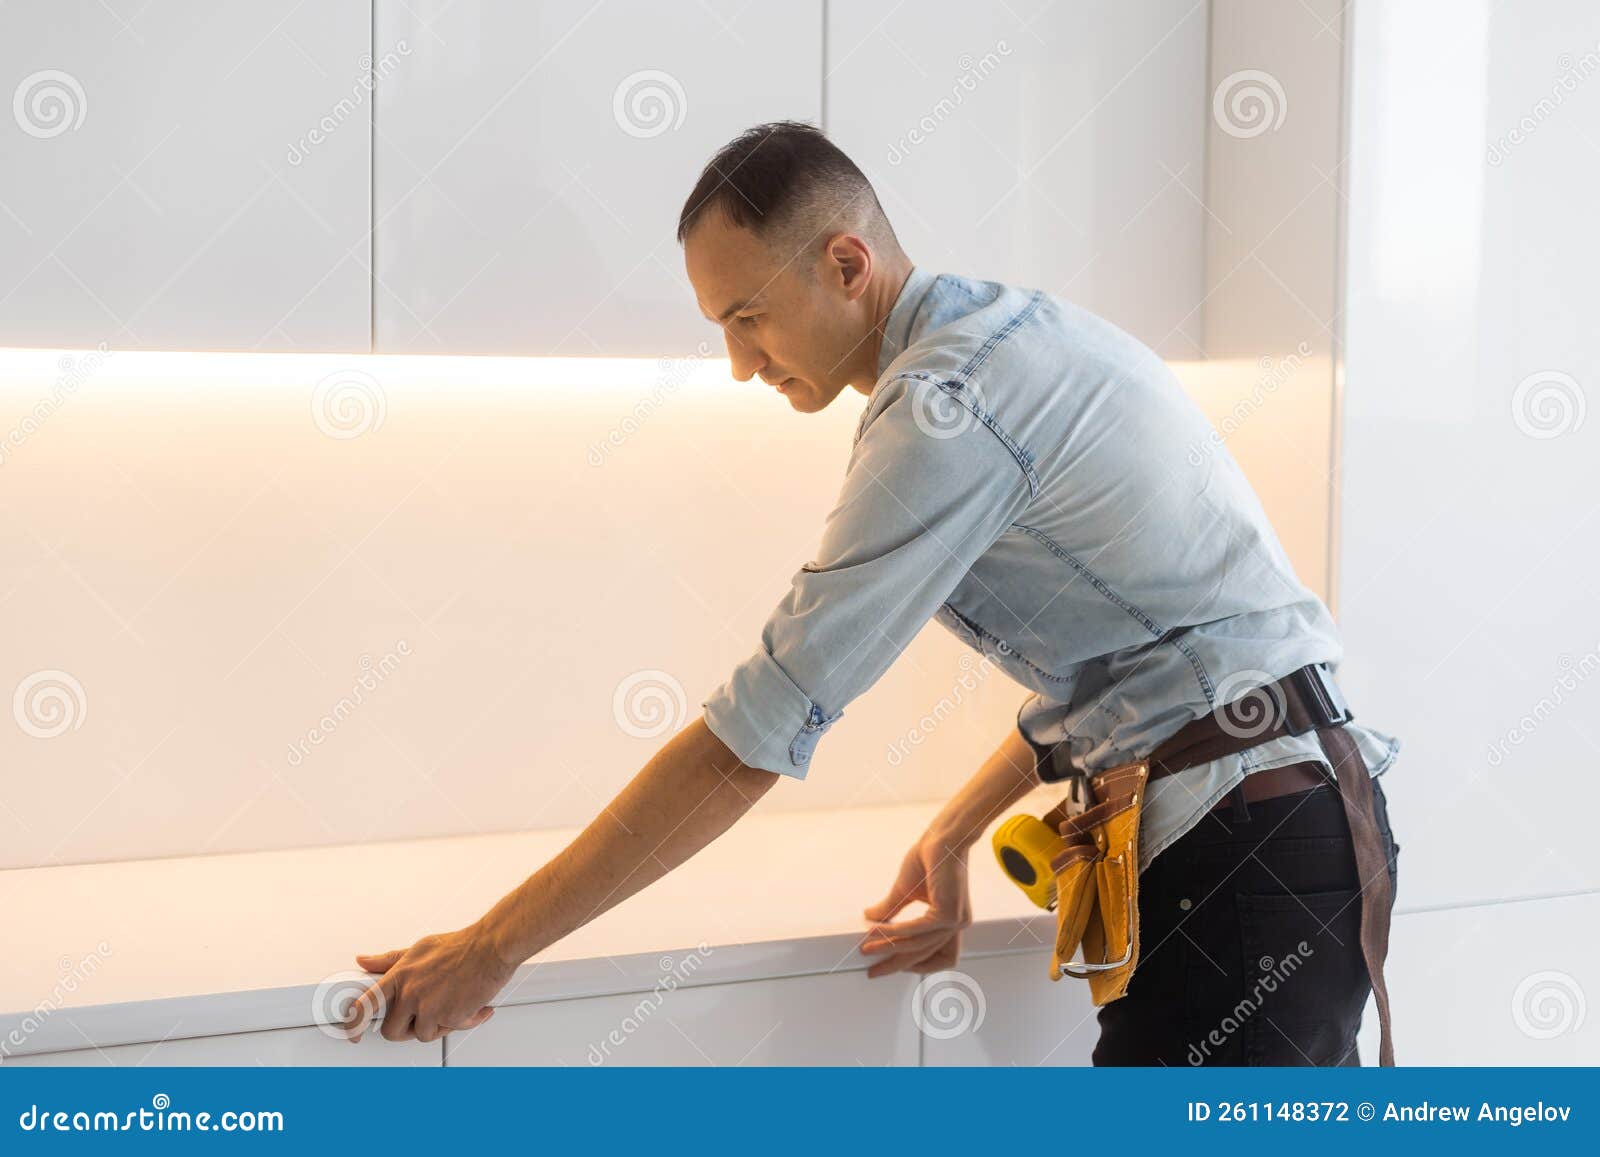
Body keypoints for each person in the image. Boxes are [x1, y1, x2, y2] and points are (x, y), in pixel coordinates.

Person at [348, 121, 1401, 1066]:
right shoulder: (1013, 333)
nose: (737, 364)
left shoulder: (943, 407)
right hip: (1286, 828)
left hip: (1247, 854)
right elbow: (1140, 662)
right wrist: (951, 831)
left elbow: (749, 736)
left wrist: (492, 948)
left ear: (845, 263)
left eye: (749, 317)